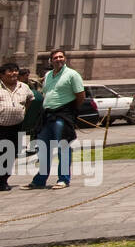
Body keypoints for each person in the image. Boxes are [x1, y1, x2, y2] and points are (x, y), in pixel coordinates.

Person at [27, 49, 83, 189]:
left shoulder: (72, 74)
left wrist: (71, 111)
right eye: (55, 57)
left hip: (62, 115)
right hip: (47, 115)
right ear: (51, 61)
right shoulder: (48, 75)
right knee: (43, 148)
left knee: (63, 148)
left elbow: (80, 95)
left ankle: (63, 179)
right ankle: (40, 180)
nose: (58, 59)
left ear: (65, 58)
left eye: (61, 57)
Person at [0, 63, 35, 191]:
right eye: (10, 71)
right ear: (2, 75)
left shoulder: (23, 87)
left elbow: (30, 99)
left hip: (16, 127)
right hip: (0, 127)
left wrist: (22, 111)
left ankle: (3, 181)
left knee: (10, 154)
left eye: (16, 71)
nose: (14, 73)